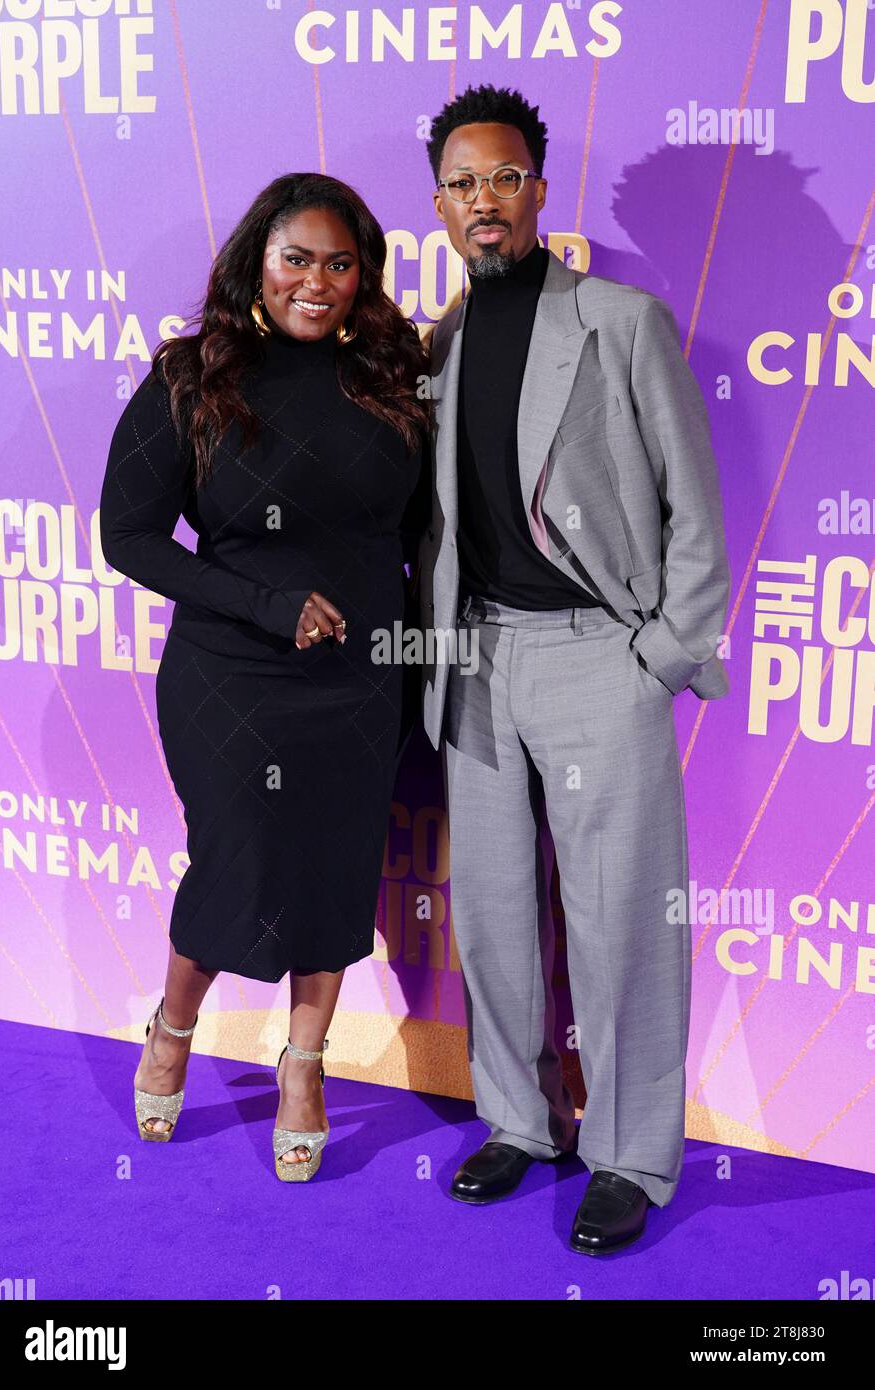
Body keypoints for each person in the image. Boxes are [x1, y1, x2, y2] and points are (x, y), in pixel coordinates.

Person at [417, 85, 731, 1252]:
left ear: (540, 190)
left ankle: (631, 1155)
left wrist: (660, 656)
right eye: (462, 184)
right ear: (440, 206)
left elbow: (694, 513)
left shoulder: (620, 320)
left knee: (619, 924)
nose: (484, 201)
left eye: (504, 178)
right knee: (496, 918)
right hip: (478, 664)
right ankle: (518, 1119)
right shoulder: (434, 346)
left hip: (603, 658)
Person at [99, 172, 430, 1180]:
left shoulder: (392, 376)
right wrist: (266, 603)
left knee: (337, 867)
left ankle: (304, 1064)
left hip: (363, 677)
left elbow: (419, 530)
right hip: (231, 674)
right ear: (256, 263)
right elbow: (130, 537)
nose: (317, 282)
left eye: (341, 263)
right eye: (298, 259)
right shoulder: (193, 376)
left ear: (363, 275)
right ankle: (173, 1025)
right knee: (236, 859)